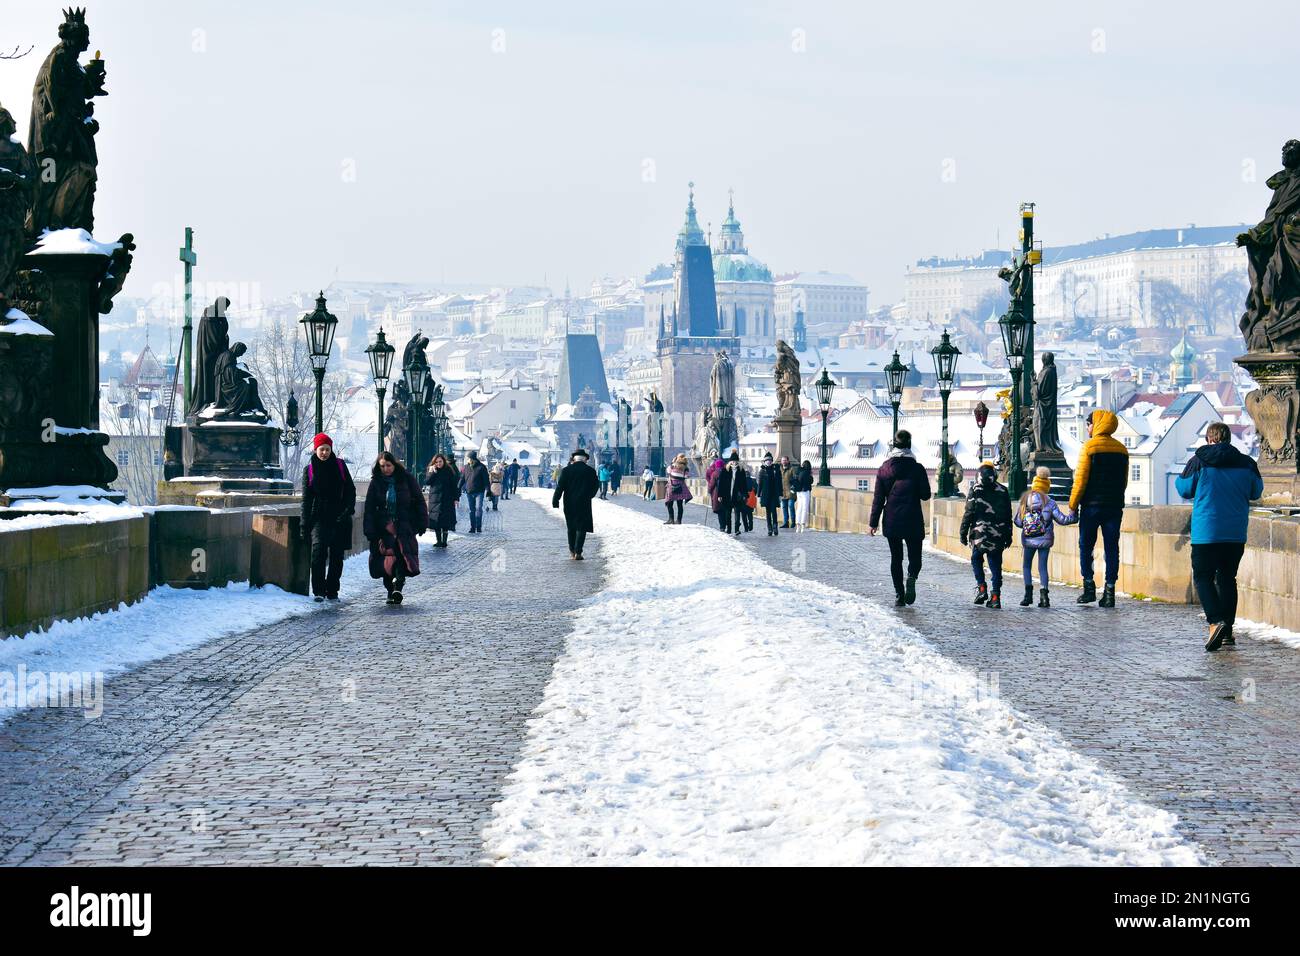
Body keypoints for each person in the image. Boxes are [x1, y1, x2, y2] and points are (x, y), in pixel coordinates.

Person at [1176, 421, 1264, 651]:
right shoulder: (1247, 463)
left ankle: (1216, 622)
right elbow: (1256, 491)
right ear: (1227, 438)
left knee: (1203, 577)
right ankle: (1228, 633)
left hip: (1207, 531)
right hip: (1235, 532)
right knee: (1227, 579)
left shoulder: (1199, 460)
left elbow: (1184, 489)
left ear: (1209, 439)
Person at [1068, 409, 1129, 608]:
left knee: (1086, 546)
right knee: (1112, 548)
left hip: (1091, 506)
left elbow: (1080, 480)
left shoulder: (1089, 447)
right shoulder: (1122, 449)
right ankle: (1110, 592)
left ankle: (1089, 588)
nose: (1087, 428)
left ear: (1096, 424)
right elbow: (1124, 481)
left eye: (1088, 424)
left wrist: (1072, 504)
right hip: (1114, 507)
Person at [868, 430, 931, 606]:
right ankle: (911, 576)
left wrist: (873, 523)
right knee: (915, 557)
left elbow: (878, 498)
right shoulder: (917, 468)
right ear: (909, 446)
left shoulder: (885, 468)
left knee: (896, 558)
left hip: (892, 519)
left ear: (894, 446)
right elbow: (925, 495)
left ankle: (899, 595)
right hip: (912, 518)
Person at [363, 452, 428, 604]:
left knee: (400, 556)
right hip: (383, 527)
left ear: (394, 465)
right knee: (387, 560)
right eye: (382, 466)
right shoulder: (375, 483)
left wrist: (422, 523)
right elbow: (369, 508)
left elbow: (419, 501)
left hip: (403, 525)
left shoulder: (406, 479)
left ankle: (398, 587)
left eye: (388, 465)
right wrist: (369, 529)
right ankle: (390, 591)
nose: (385, 469)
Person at [300, 433, 357, 602]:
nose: (324, 452)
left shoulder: (340, 465)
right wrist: (304, 523)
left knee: (337, 557)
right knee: (318, 553)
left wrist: (348, 510)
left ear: (331, 450)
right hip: (319, 517)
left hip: (340, 516)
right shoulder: (309, 470)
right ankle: (318, 591)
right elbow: (306, 499)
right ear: (315, 449)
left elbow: (350, 490)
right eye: (321, 449)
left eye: (327, 449)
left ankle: (332, 590)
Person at [1014, 466, 1076, 607]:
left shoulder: (1024, 501)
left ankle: (1027, 596)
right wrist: (1074, 516)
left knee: (1026, 566)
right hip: (1045, 539)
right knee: (1042, 567)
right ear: (1047, 487)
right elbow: (1062, 520)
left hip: (1028, 540)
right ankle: (1044, 598)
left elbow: (1017, 522)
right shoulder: (1050, 502)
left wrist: (1028, 525)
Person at [960, 463, 1013, 608]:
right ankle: (995, 596)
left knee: (976, 558)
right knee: (996, 565)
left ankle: (981, 588)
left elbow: (969, 513)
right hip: (998, 534)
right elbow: (1008, 515)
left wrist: (963, 533)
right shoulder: (1003, 490)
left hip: (979, 534)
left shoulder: (975, 489)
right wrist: (1009, 535)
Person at [552, 448, 600, 559]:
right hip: (584, 503)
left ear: (574, 459)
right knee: (581, 527)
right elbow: (595, 486)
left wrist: (555, 500)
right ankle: (578, 552)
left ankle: (572, 551)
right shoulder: (590, 471)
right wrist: (589, 495)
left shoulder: (566, 470)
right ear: (585, 460)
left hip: (569, 503)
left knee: (571, 527)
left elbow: (560, 487)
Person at [424, 452, 460, 549]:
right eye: (437, 462)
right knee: (436, 521)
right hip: (435, 500)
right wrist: (432, 473)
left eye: (440, 461)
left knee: (445, 521)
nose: (439, 464)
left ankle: (444, 541)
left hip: (446, 499)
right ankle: (438, 541)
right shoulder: (432, 471)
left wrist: (456, 498)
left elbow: (454, 486)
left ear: (444, 461)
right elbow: (427, 482)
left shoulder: (449, 471)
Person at [717, 451, 749, 537]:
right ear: (730, 462)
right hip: (727, 495)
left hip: (737, 496)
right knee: (728, 514)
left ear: (738, 462)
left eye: (736, 461)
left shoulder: (741, 471)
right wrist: (719, 495)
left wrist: (745, 495)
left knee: (737, 514)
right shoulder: (725, 470)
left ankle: (737, 529)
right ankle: (729, 529)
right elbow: (721, 484)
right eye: (733, 461)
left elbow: (744, 484)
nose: (734, 462)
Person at [459, 450, 489, 533]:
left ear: (472, 458)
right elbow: (462, 479)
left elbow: (486, 480)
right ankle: (472, 527)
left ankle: (478, 527)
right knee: (472, 510)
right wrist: (458, 488)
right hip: (469, 492)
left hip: (479, 492)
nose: (467, 460)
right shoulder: (465, 467)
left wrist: (488, 491)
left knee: (478, 508)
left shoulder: (481, 467)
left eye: (468, 458)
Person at [758, 452, 783, 536]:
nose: (768, 461)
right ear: (764, 462)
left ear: (772, 461)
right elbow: (760, 484)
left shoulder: (776, 470)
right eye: (766, 460)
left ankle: (775, 526)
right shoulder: (762, 471)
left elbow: (780, 483)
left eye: (769, 460)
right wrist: (758, 495)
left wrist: (780, 494)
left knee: (774, 510)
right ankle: (769, 528)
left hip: (774, 494)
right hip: (765, 494)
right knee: (768, 512)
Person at [664, 453, 692, 524]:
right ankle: (679, 520)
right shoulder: (686, 468)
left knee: (669, 504)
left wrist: (672, 462)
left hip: (672, 485)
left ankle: (671, 519)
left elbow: (668, 471)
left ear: (677, 458)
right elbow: (686, 476)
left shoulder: (673, 466)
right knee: (680, 505)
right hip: (681, 487)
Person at [706, 456, 726, 529]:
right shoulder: (726, 472)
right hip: (726, 493)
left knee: (720, 510)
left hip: (717, 493)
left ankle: (722, 526)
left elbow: (712, 484)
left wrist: (709, 490)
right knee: (725, 509)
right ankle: (726, 523)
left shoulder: (715, 473)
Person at [794, 459, 814, 532]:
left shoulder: (798, 471)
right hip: (805, 491)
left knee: (799, 508)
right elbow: (810, 481)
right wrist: (810, 475)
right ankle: (803, 525)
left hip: (798, 492)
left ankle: (797, 525)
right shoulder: (806, 473)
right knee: (804, 508)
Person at [779, 455, 798, 529]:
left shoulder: (792, 469)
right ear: (781, 462)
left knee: (791, 506)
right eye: (782, 460)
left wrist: (793, 485)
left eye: (785, 460)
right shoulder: (780, 469)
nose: (784, 462)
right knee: (784, 508)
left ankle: (793, 522)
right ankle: (785, 522)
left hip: (791, 492)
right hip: (783, 492)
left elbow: (795, 479)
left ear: (788, 461)